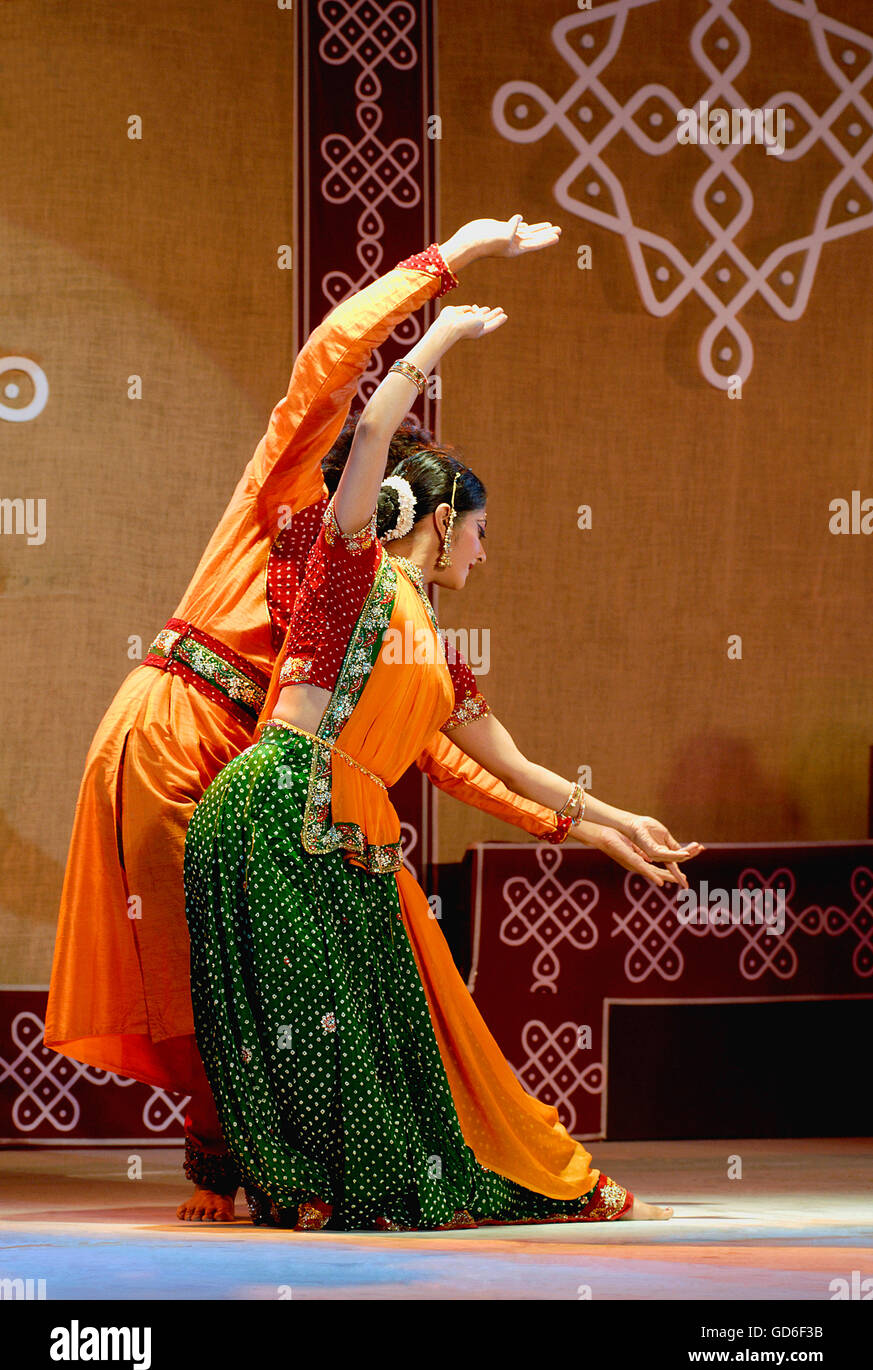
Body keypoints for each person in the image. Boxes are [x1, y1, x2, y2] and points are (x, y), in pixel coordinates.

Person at [44, 213, 673, 1222]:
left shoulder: (402, 620)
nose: (485, 553)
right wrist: (448, 271)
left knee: (333, 992)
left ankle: (317, 1168)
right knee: (214, 973)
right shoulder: (315, 520)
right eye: (478, 531)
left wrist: (596, 822)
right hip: (195, 728)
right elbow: (342, 376)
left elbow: (453, 751)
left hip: (300, 781)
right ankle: (235, 1151)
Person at [183, 296, 704, 1231]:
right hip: (272, 811)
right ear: (436, 518)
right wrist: (441, 336)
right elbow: (376, 420)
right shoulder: (351, 570)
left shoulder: (435, 644)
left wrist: (618, 826)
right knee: (314, 1025)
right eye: (478, 529)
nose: (484, 551)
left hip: (341, 839)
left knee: (369, 1029)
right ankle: (311, 1190)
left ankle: (331, 1193)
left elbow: (511, 764)